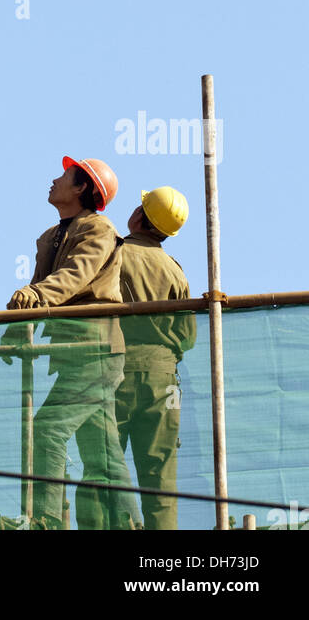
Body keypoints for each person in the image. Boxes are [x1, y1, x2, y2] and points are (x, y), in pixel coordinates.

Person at [2, 156, 137, 530]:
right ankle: (129, 522)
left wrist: (33, 296)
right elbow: (40, 287)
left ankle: (46, 519)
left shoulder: (99, 229)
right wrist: (17, 326)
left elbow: (74, 276)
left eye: (63, 176)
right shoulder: (52, 236)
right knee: (102, 452)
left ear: (81, 188)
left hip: (95, 349)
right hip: (73, 352)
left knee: (49, 428)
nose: (54, 179)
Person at [112, 186, 195, 530]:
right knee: (160, 474)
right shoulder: (174, 270)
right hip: (164, 379)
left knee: (107, 467)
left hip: (114, 371)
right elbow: (188, 337)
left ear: (138, 217)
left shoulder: (112, 255)